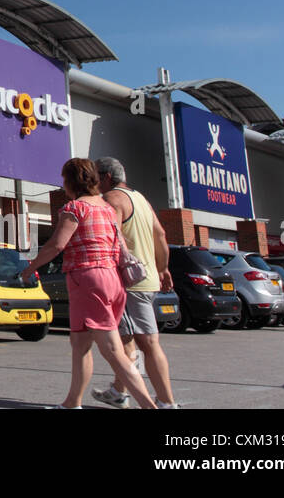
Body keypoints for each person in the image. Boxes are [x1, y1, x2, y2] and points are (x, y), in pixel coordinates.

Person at [20, 158, 155, 409]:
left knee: (113, 350)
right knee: (80, 343)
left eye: (64, 180)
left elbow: (57, 244)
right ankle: (72, 403)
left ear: (72, 181)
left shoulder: (75, 208)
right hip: (112, 279)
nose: (63, 185)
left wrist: (31, 267)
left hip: (87, 279)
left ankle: (149, 406)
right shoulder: (106, 208)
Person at [91, 156, 179, 409]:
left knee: (144, 344)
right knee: (130, 341)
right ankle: (119, 391)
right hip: (147, 279)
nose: (93, 182)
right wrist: (163, 269)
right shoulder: (141, 199)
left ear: (106, 177)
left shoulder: (111, 200)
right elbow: (160, 235)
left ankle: (165, 402)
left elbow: (113, 238)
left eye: (96, 176)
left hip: (129, 283)